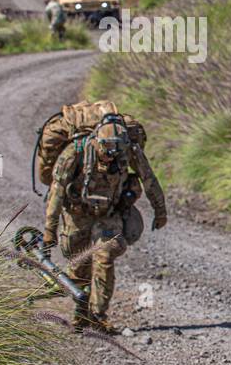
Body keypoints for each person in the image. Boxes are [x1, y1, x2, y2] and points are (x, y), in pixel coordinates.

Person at [43, 115, 166, 332]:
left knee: (104, 256)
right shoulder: (75, 152)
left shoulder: (129, 153)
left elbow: (149, 179)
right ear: (96, 142)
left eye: (116, 150)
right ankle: (81, 314)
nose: (110, 156)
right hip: (78, 213)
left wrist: (160, 211)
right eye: (106, 148)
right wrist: (49, 230)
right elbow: (57, 191)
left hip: (109, 214)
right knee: (79, 265)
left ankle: (98, 315)